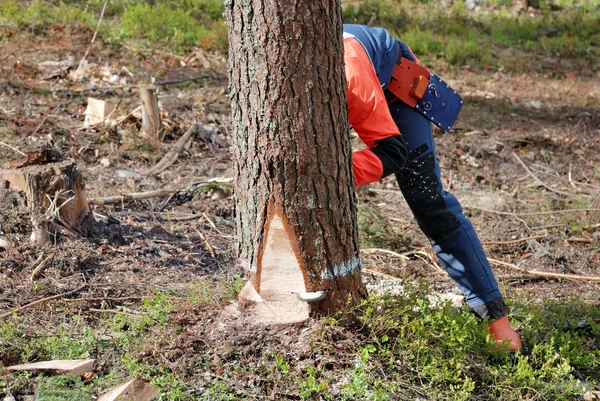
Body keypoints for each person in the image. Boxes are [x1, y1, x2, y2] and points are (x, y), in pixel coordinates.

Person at [343, 24, 521, 351]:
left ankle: (498, 322)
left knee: (429, 202)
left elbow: (392, 152)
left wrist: (336, 172)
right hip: (360, 75)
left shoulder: (351, 80)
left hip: (395, 82)